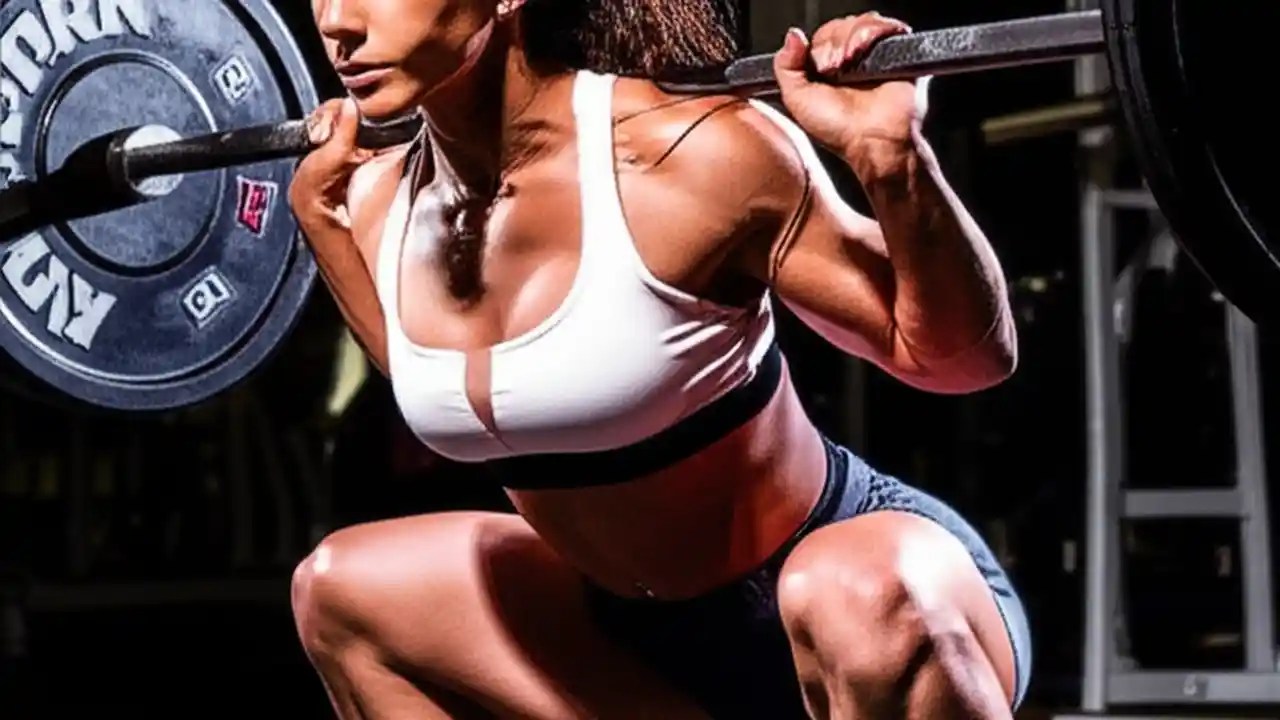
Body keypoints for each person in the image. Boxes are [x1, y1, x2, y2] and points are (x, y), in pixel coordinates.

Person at [287, 0, 1031, 717]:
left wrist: (892, 162)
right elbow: (438, 380)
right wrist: (319, 220)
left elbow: (963, 360)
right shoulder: (378, 201)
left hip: (856, 596)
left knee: (857, 591)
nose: (337, 22)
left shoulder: (686, 154)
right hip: (625, 645)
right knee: (343, 589)